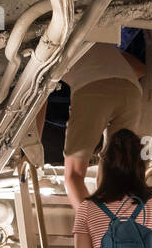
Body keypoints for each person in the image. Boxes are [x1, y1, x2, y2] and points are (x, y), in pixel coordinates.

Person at [58, 42, 144, 209]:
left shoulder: (55, 41)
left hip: (91, 87)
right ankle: (112, 222)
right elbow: (141, 69)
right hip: (131, 89)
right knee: (115, 172)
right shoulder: (102, 40)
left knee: (73, 174)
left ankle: (95, 229)